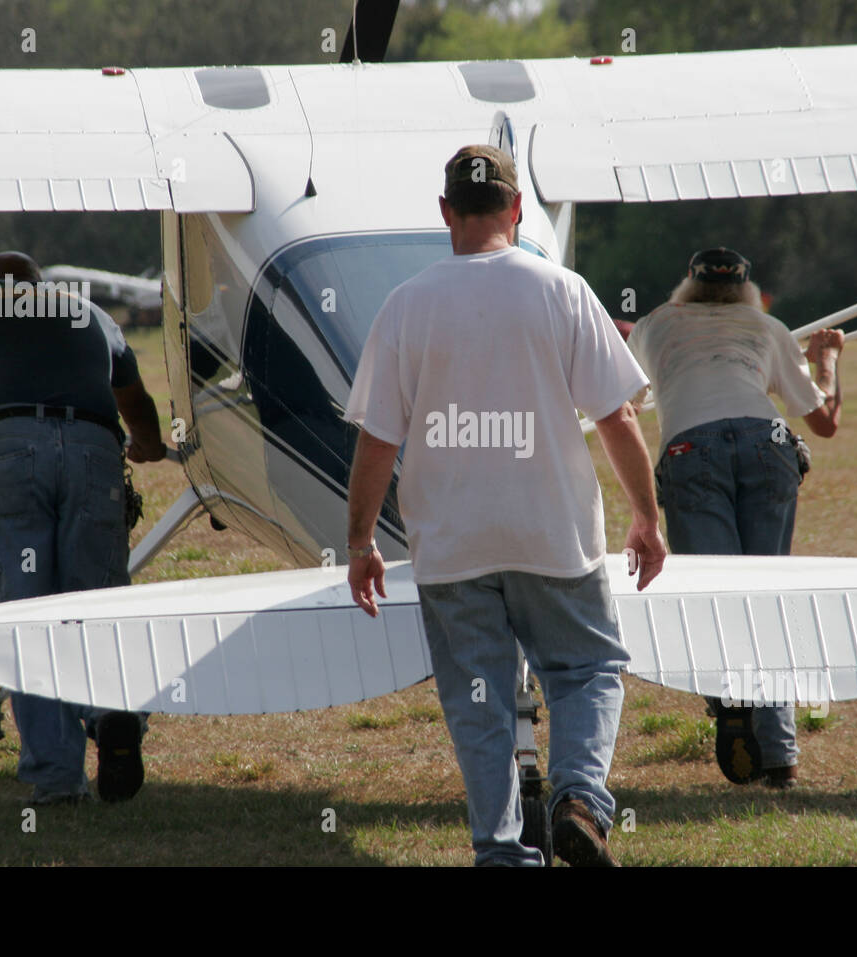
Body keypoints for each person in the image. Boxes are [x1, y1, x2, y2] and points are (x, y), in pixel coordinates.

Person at [344, 145, 666, 866]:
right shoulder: (563, 290)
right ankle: (579, 796)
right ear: (518, 211)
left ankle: (501, 852)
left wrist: (361, 539)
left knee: (478, 702)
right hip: (553, 535)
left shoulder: (406, 305)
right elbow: (617, 418)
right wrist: (646, 514)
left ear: (446, 214)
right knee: (586, 669)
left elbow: (376, 440)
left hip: (451, 546)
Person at [0, 250, 166, 805]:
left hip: (12, 448)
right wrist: (149, 444)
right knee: (98, 605)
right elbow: (133, 398)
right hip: (94, 446)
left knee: (27, 615)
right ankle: (112, 713)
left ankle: (57, 781)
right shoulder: (87, 312)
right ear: (39, 285)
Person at [623, 247, 843, 789]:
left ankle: (730, 702)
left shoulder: (655, 325)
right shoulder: (767, 326)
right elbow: (824, 422)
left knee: (715, 594)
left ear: (688, 283)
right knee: (767, 593)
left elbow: (630, 395)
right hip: (767, 441)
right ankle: (782, 758)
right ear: (746, 288)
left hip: (689, 447)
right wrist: (827, 358)